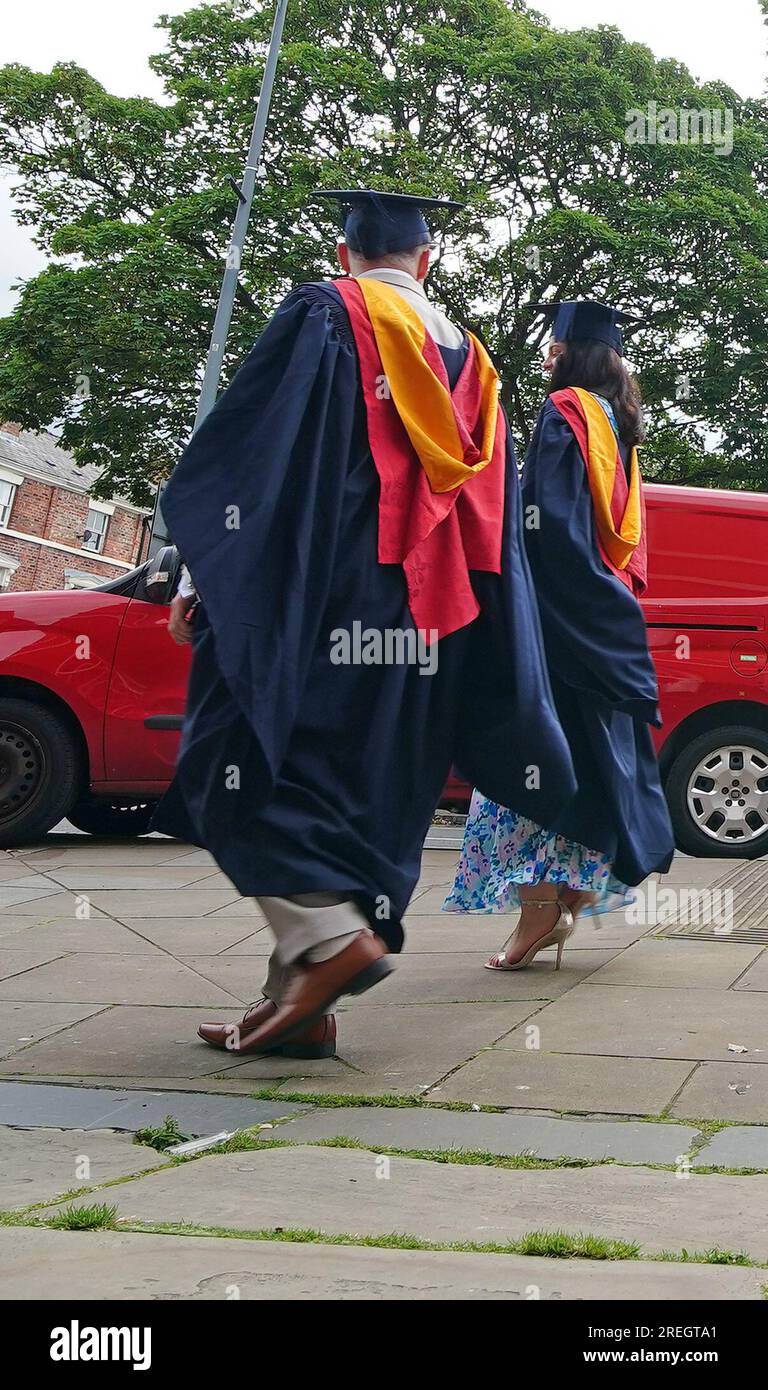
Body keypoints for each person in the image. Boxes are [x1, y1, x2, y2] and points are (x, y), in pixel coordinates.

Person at [153, 189, 576, 1057]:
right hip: (433, 617)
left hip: (322, 602)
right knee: (368, 792)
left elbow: (255, 454)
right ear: (426, 261)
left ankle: (323, 936)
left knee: (229, 754)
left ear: (346, 253)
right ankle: (299, 1012)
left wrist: (204, 569)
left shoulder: (324, 312)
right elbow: (494, 513)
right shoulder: (476, 363)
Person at [444, 299, 675, 969]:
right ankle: (567, 901)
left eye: (555, 343)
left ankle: (539, 919)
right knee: (591, 766)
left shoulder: (564, 414)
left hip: (554, 627)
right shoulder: (617, 426)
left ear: (577, 353)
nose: (547, 353)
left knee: (531, 764)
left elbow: (546, 524)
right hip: (596, 623)